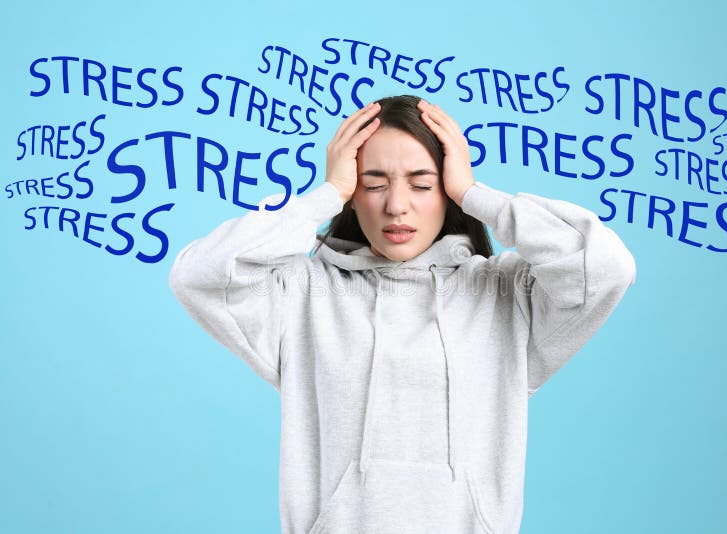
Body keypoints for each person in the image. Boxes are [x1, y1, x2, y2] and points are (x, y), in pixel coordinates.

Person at [168, 95, 636, 533]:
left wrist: (477, 194)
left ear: (447, 191)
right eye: (373, 184)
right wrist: (324, 195)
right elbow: (200, 275)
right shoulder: (303, 296)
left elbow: (605, 268)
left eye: (422, 183)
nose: (396, 205)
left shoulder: (505, 296)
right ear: (354, 193)